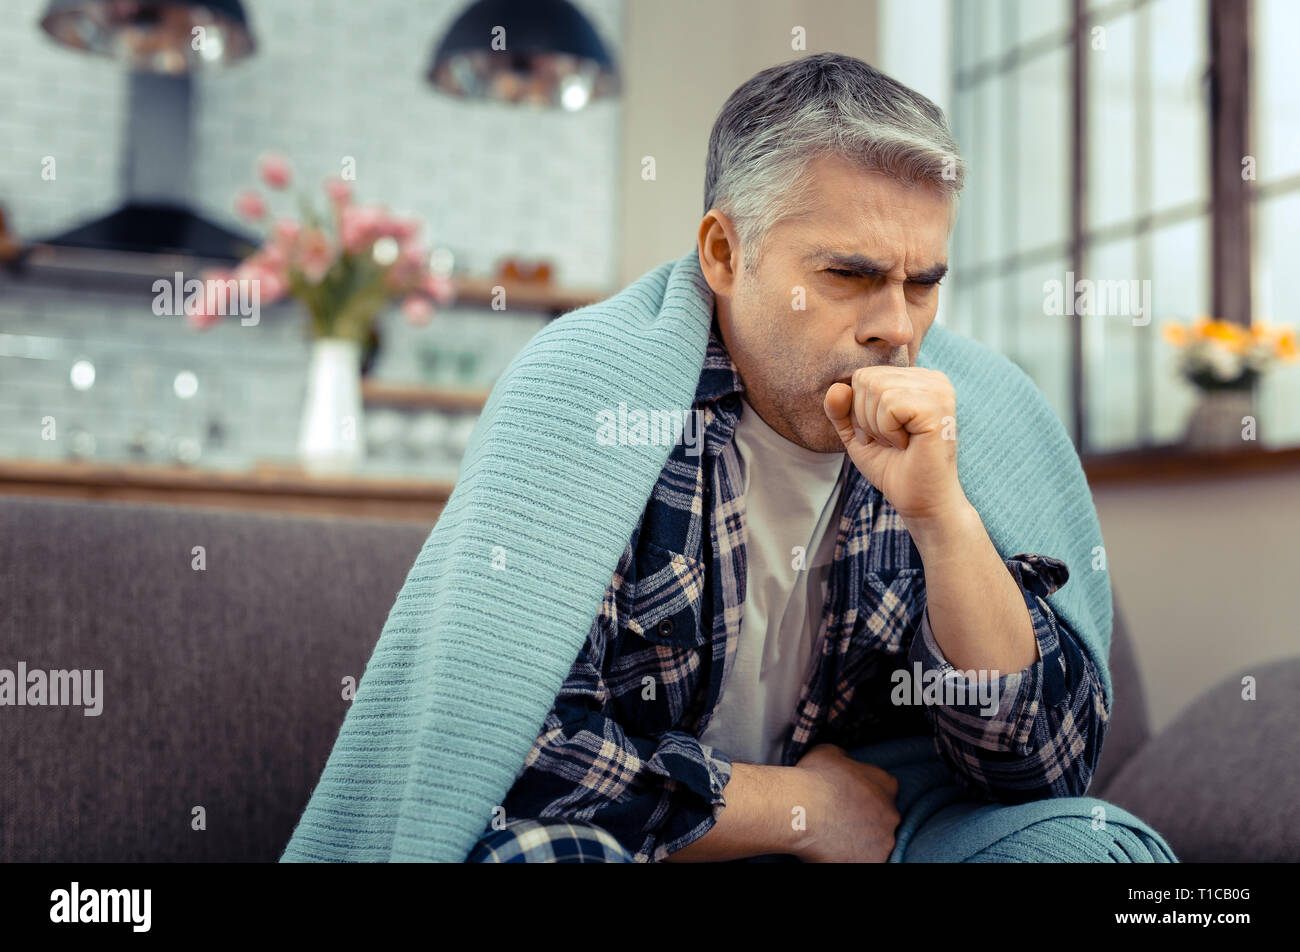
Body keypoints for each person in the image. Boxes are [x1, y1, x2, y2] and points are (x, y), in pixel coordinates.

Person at [464, 51, 1117, 864]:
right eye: (849, 274)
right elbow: (511, 756)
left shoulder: (965, 418)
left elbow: (1047, 767)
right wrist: (803, 809)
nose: (897, 329)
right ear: (724, 254)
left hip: (892, 835)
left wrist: (942, 518)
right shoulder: (590, 397)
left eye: (922, 283)